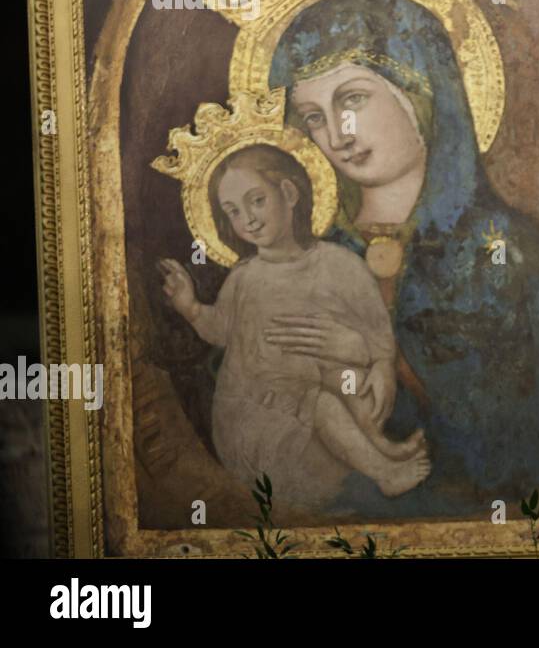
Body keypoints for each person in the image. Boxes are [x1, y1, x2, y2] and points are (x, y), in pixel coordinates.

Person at [268, 0, 539, 519]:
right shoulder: (306, 259)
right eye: (312, 117)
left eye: (353, 99)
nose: (336, 134)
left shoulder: (511, 253)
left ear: (421, 92)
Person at [158, 143, 430, 507]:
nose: (248, 219)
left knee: (341, 376)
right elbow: (220, 331)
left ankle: (380, 446)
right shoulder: (244, 278)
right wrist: (190, 307)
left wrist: (380, 366)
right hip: (257, 419)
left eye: (256, 201)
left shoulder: (341, 265)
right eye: (233, 211)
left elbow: (378, 336)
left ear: (288, 193)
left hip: (318, 409)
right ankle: (384, 473)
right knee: (321, 402)